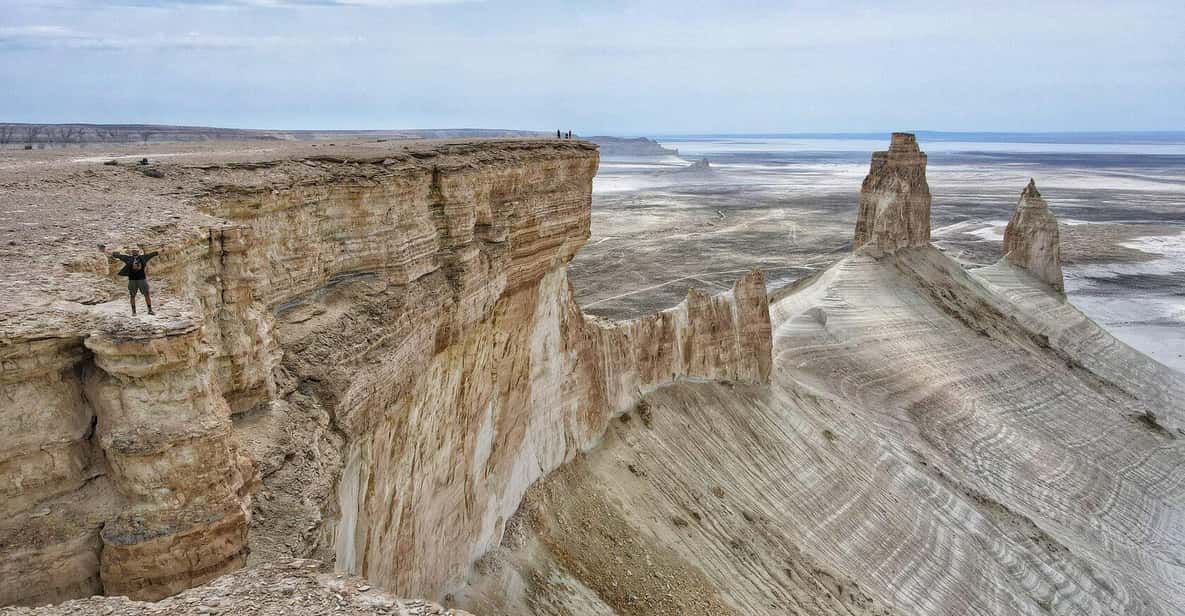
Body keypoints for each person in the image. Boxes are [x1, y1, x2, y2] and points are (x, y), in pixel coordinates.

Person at [108, 246, 159, 315]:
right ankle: (134, 312)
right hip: (132, 280)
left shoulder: (143, 257)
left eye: (136, 251)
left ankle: (150, 310)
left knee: (146, 294)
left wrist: (158, 251)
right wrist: (115, 254)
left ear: (138, 252)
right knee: (132, 295)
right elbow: (120, 256)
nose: (134, 252)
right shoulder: (128, 258)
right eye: (133, 251)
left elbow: (151, 254)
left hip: (142, 279)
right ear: (132, 252)